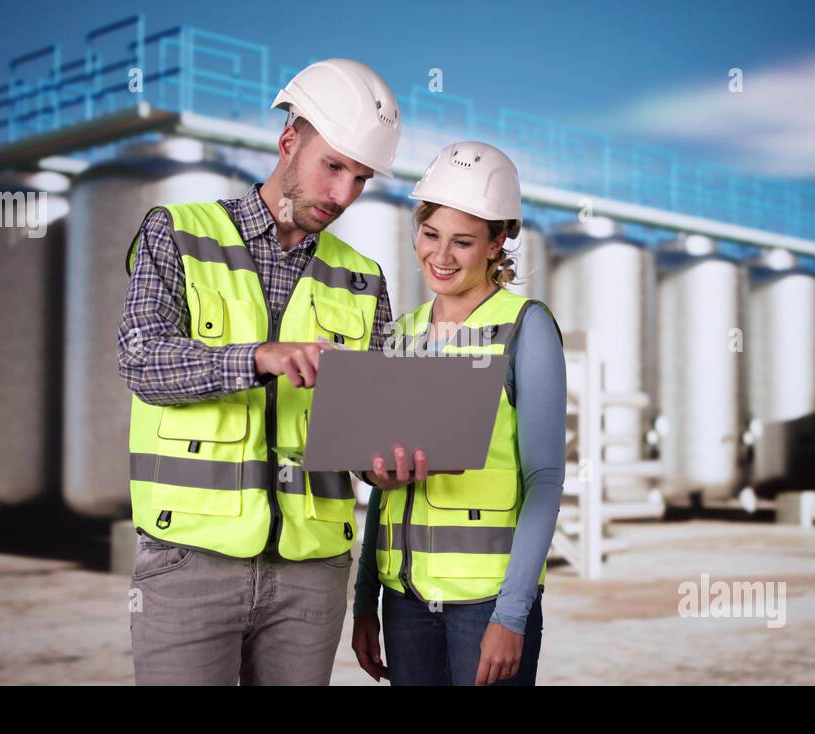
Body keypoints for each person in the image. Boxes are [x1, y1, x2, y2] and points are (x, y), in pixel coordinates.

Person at [116, 58, 406, 685]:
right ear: (288, 142)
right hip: (190, 560)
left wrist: (380, 463)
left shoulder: (363, 279)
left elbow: (366, 431)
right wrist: (255, 358)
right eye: (333, 167)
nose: (342, 196)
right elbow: (141, 359)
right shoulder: (179, 234)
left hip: (313, 571)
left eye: (360, 179)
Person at [350, 141, 567, 685]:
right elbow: (384, 484)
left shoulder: (526, 327)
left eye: (463, 242)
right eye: (430, 235)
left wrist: (512, 613)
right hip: (405, 599)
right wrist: (365, 601)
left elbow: (544, 478)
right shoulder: (402, 333)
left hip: (485, 602)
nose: (441, 256)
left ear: (498, 241)